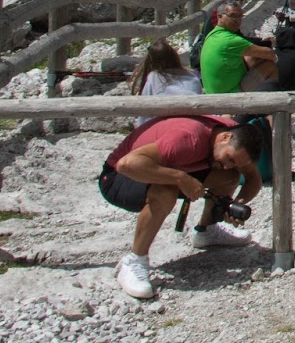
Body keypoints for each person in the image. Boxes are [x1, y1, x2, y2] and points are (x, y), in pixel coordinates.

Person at [100, 117, 264, 299]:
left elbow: (253, 179)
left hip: (167, 167)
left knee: (229, 177)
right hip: (119, 176)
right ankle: (134, 261)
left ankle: (208, 231)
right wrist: (181, 178)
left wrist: (234, 204)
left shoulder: (238, 136)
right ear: (225, 138)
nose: (227, 165)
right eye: (229, 159)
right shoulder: (188, 139)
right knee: (165, 192)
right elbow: (126, 165)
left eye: (234, 162)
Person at [199, 2, 276, 95]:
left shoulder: (212, 35)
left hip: (212, 92)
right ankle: (275, 97)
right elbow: (269, 53)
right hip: (229, 95)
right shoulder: (230, 40)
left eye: (240, 16)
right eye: (232, 16)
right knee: (270, 66)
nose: (237, 20)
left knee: (250, 57)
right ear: (220, 17)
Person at [129, 40, 200, 128]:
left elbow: (145, 108)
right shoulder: (191, 76)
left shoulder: (154, 77)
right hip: (193, 122)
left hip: (167, 125)